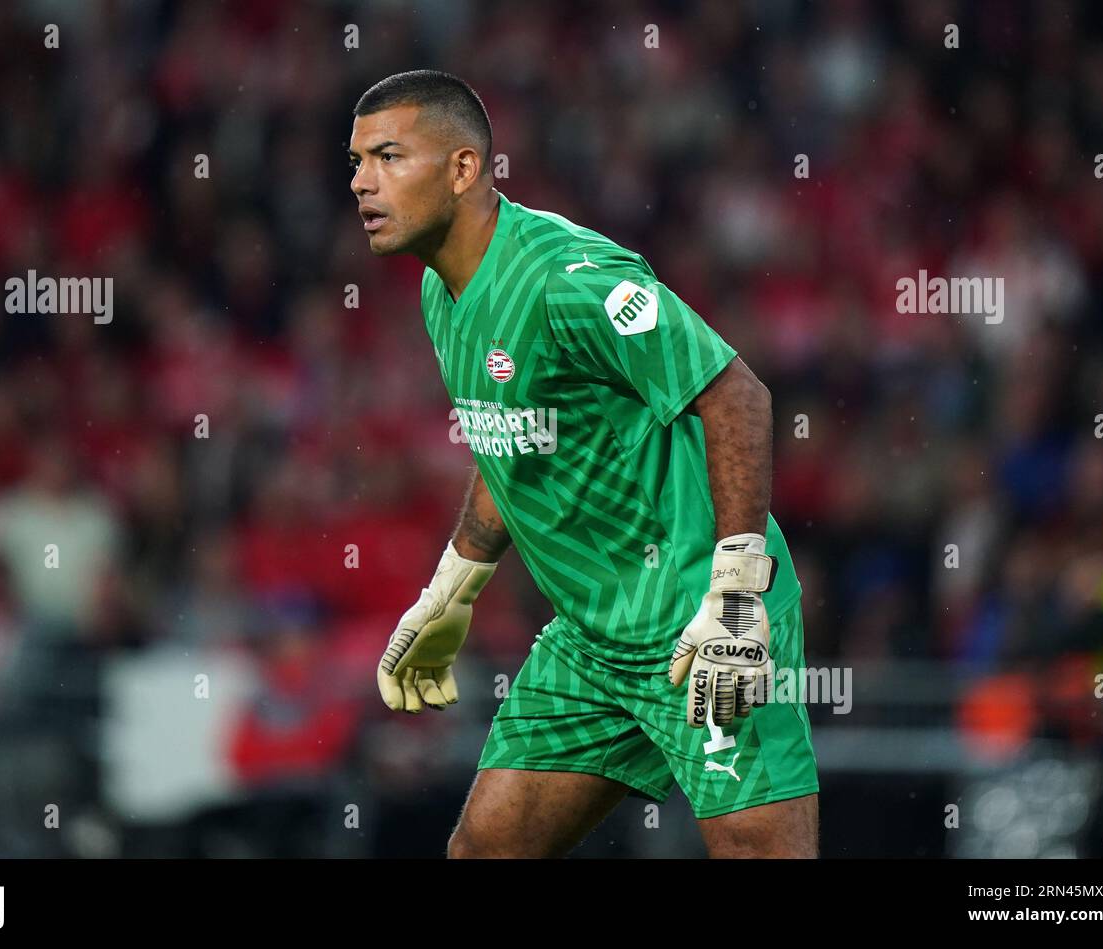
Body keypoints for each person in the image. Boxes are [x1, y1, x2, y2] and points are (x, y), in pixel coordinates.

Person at [349, 69, 818, 858]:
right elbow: (514, 439)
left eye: (388, 156)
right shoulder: (441, 291)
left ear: (464, 169)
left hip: (695, 620)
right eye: (356, 161)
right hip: (590, 641)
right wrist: (449, 591)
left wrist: (738, 596)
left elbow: (737, 395)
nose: (362, 182)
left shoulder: (569, 280)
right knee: (482, 852)